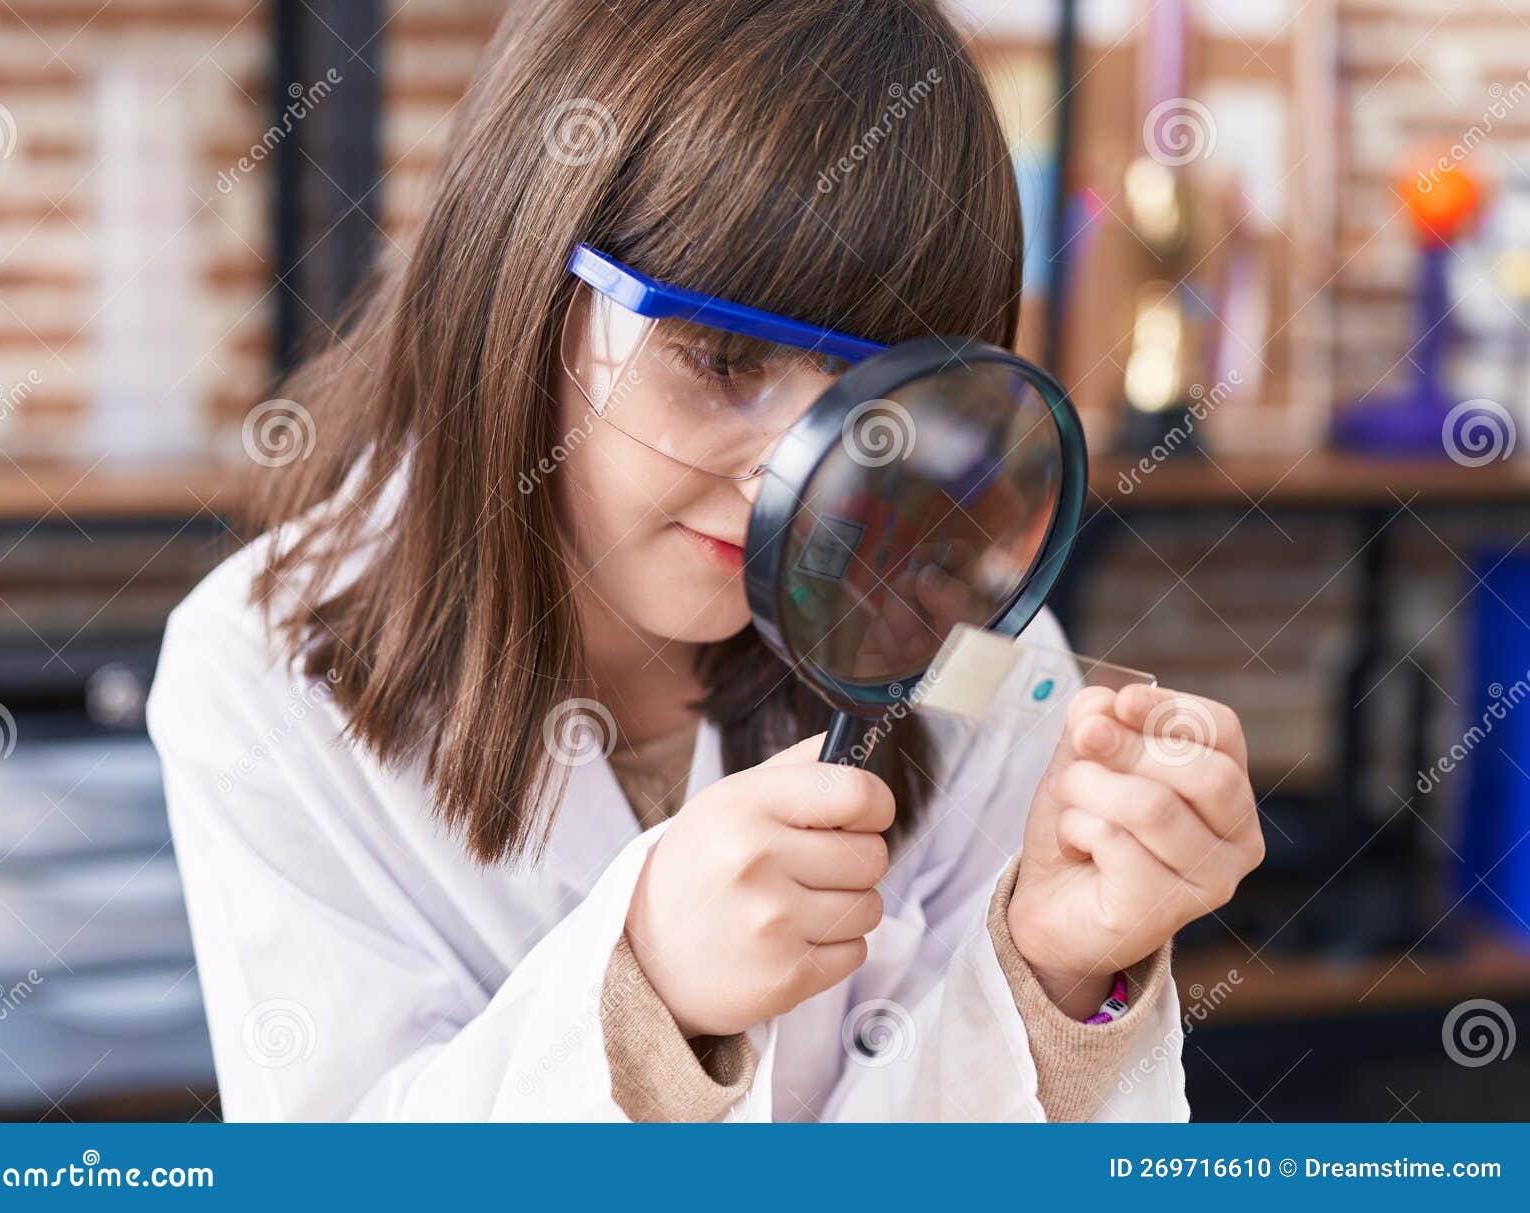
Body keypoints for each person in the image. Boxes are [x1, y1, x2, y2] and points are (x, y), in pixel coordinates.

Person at [147, 0, 1264, 1121]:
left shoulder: (960, 647)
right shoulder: (253, 672)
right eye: (722, 362)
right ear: (519, 279)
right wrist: (646, 994)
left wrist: (1050, 971)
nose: (799, 484)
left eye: (882, 414)